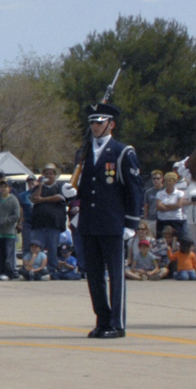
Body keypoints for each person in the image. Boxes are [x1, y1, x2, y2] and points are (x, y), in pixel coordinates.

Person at [69, 101, 141, 338]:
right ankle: (102, 319)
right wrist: (71, 193)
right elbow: (85, 187)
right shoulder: (85, 151)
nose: (95, 126)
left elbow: (133, 191)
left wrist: (131, 223)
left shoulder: (122, 152)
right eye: (92, 122)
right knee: (94, 275)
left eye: (99, 122)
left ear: (111, 124)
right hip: (89, 223)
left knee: (115, 277)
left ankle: (116, 323)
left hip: (113, 223)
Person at [0, 169, 23, 281]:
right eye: (1, 187)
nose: (3, 189)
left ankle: (9, 273)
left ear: (9, 188)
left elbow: (16, 214)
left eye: (5, 187)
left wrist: (7, 221)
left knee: (9, 254)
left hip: (8, 231)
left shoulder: (13, 200)